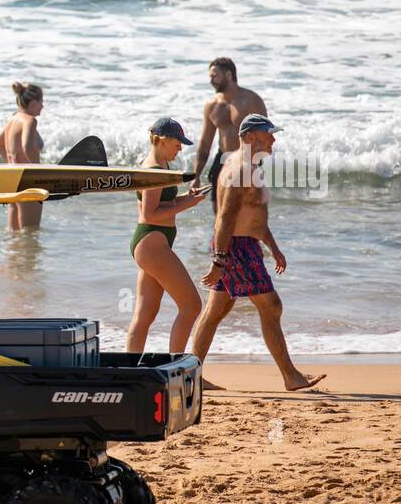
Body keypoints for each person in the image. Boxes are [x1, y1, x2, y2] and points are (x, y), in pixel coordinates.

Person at [191, 115, 325, 392]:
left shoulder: (248, 166)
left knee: (217, 309)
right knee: (271, 306)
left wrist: (272, 246)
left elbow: (253, 215)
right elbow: (226, 217)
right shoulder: (240, 169)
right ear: (250, 137)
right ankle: (290, 376)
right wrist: (220, 259)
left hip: (242, 244)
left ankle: (192, 375)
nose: (273, 139)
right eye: (268, 134)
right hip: (235, 247)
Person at [126, 118, 210, 353]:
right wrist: (188, 204)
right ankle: (177, 365)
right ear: (163, 140)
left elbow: (164, 203)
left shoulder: (160, 166)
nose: (180, 148)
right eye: (177, 143)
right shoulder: (152, 170)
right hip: (152, 243)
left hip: (150, 245)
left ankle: (130, 371)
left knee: (144, 314)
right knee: (192, 306)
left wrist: (186, 196)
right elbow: (150, 215)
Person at [189, 57, 267, 212]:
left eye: (214, 76)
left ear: (229, 75)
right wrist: (195, 176)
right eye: (210, 76)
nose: (211, 80)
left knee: (246, 214)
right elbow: (205, 144)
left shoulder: (252, 100)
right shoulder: (212, 106)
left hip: (247, 160)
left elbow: (265, 137)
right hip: (223, 159)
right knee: (220, 212)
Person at [0, 81, 44, 231]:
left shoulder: (13, 118)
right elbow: (27, 146)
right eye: (42, 102)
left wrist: (10, 163)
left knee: (14, 233)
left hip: (13, 178)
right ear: (34, 102)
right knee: (29, 232)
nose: (43, 106)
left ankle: (13, 255)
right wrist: (39, 172)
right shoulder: (30, 121)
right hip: (28, 180)